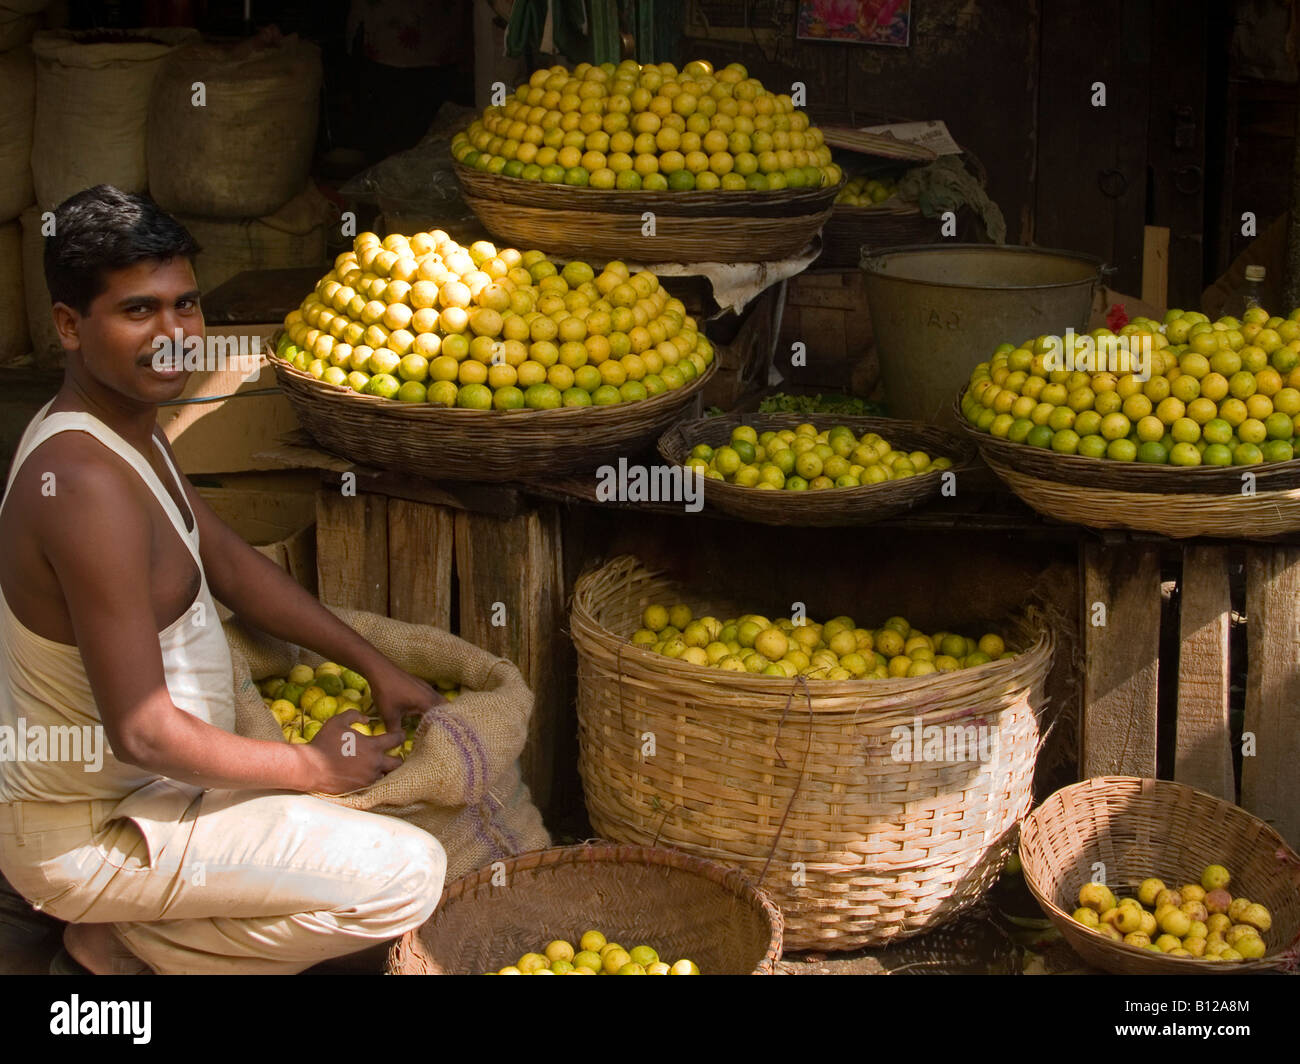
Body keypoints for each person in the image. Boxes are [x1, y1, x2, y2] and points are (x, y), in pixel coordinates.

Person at [0, 186, 447, 975]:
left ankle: (138, 933)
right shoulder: (81, 484)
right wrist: (316, 766)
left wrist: (373, 663)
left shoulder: (130, 430)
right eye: (139, 312)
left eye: (187, 306)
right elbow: (143, 732)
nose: (174, 335)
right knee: (409, 874)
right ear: (70, 327)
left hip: (160, 793)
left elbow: (231, 565)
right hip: (96, 832)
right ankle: (121, 946)